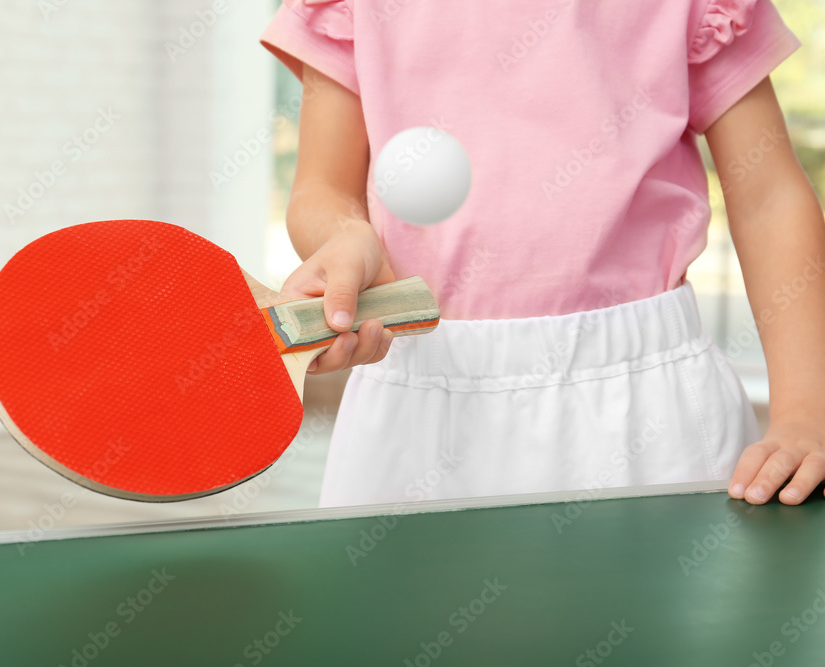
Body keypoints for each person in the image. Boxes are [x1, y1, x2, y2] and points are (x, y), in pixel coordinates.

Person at [259, 0, 825, 507]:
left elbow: (767, 196)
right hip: (415, 395)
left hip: (650, 404)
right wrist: (345, 237)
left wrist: (805, 413)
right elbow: (321, 188)